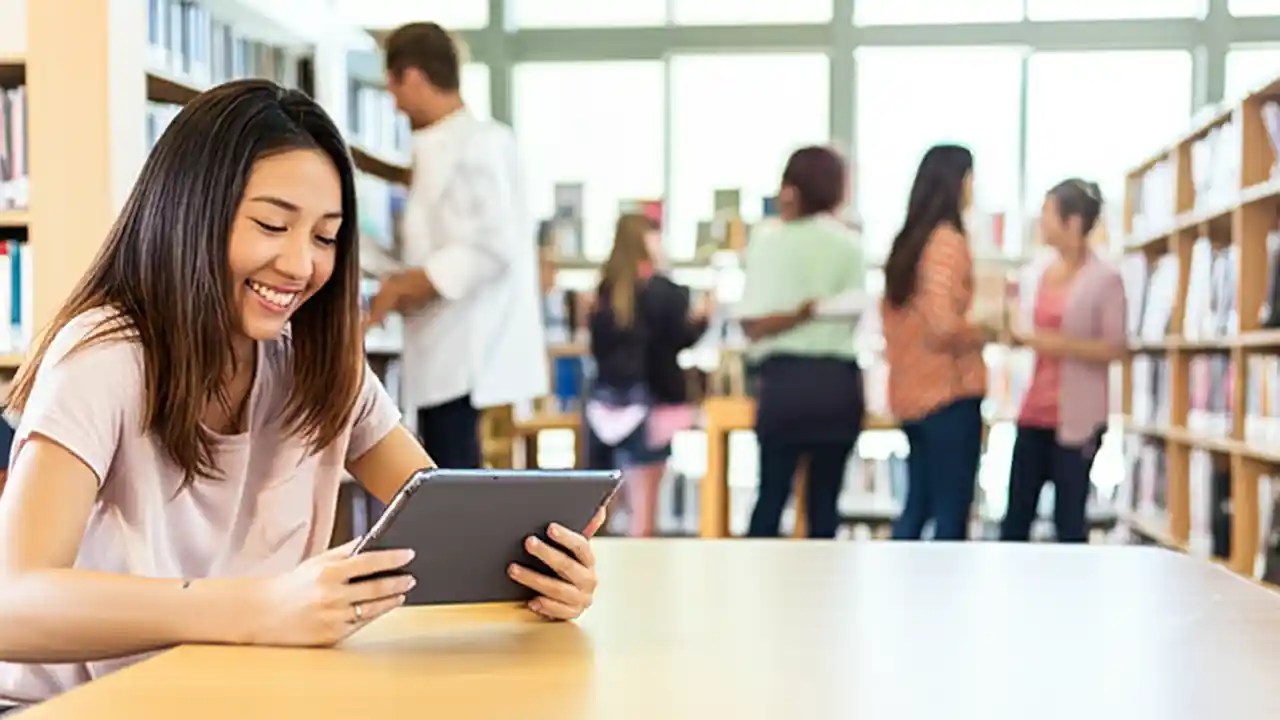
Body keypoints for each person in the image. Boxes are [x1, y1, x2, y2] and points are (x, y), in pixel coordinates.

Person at [0, 80, 602, 709]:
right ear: (190, 211)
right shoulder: (106, 355)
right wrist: (258, 609)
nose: (299, 264)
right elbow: (11, 603)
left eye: (325, 237)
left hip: (226, 697)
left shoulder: (314, 360)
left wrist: (544, 572)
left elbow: (451, 527)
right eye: (271, 224)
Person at [365, 22, 546, 469]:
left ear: (412, 76)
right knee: (440, 464)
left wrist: (412, 283)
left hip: (470, 349)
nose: (394, 103)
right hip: (441, 345)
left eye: (393, 87)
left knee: (455, 468)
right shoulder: (434, 145)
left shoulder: (483, 143)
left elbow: (493, 243)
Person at [737, 145, 866, 539]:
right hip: (837, 384)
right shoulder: (849, 243)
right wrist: (817, 309)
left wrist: (800, 312)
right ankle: (824, 596)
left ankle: (756, 593)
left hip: (784, 384)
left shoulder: (768, 241)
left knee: (771, 496)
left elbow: (752, 323)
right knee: (824, 506)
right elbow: (858, 309)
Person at [999, 179, 1126, 543]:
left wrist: (1050, 343)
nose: (1041, 223)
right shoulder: (1036, 272)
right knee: (1015, 519)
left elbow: (1115, 347)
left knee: (1068, 522)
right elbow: (1021, 332)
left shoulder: (1106, 279)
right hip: (1033, 411)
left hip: (1078, 419)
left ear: (1072, 222)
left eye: (1047, 214)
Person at [882, 144, 992, 541]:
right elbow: (943, 323)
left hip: (912, 392)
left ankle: (902, 595)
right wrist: (987, 331)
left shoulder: (909, 242)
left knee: (918, 505)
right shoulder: (947, 242)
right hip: (948, 391)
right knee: (950, 512)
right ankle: (947, 600)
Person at [585, 215, 708, 537]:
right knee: (643, 513)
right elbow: (678, 340)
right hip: (650, 404)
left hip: (605, 404)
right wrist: (703, 320)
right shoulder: (665, 292)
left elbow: (597, 349)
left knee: (598, 513)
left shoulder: (602, 292)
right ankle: (641, 581)